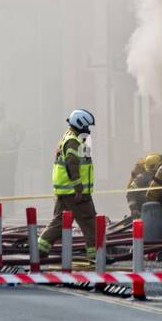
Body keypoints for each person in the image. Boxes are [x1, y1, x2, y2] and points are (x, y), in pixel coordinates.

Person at [38, 109, 97, 265]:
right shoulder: (73, 141)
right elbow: (72, 165)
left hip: (64, 190)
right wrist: (79, 188)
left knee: (58, 222)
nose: (88, 130)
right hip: (74, 191)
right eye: (86, 126)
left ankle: (39, 250)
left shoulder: (68, 136)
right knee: (89, 221)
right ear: (79, 124)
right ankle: (96, 254)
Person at [0, 98, 24, 199]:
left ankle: (9, 204)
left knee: (8, 180)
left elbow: (21, 131)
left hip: (9, 156)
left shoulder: (10, 122)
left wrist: (16, 143)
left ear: (2, 111)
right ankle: (5, 200)